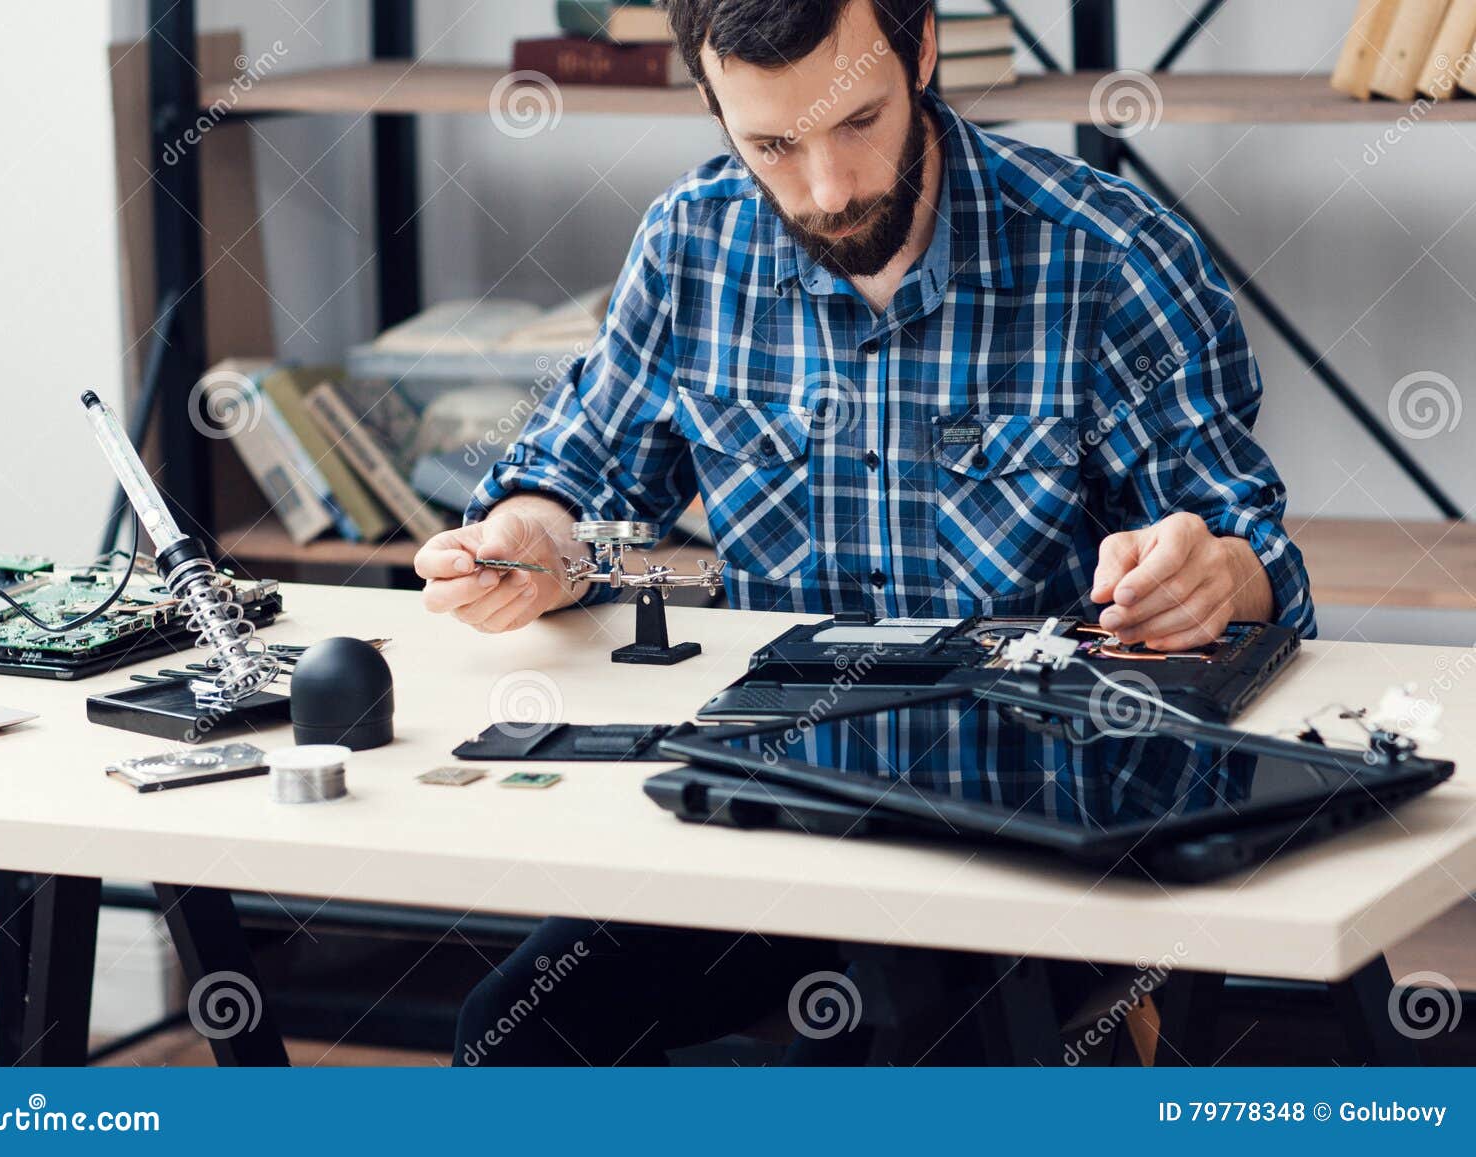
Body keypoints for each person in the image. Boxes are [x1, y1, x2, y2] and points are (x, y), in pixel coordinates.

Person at [415, 0, 1315, 1064]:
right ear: (709, 102)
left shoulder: (1107, 255)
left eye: (857, 122)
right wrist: (528, 544)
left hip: (1028, 835)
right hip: (772, 808)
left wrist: (1217, 575)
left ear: (921, 45)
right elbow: (578, 481)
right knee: (512, 1035)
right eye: (772, 146)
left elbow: (1258, 559)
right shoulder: (691, 244)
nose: (830, 190)